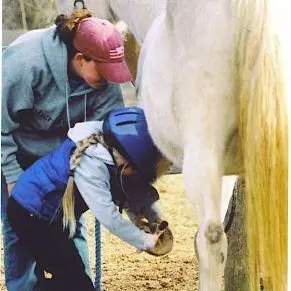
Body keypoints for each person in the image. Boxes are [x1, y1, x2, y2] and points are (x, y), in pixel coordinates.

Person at [1, 9, 133, 290]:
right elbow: (1, 125)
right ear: (80, 58)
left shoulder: (103, 81)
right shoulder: (25, 62)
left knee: (70, 226)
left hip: (63, 162)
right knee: (19, 230)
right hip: (17, 153)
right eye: (104, 70)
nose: (109, 78)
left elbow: (112, 135)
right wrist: (13, 178)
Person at [6, 107, 173, 291]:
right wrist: (144, 240)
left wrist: (154, 219)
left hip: (49, 217)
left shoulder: (109, 145)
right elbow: (109, 217)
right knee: (76, 283)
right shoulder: (92, 167)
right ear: (128, 165)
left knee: (73, 279)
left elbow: (131, 192)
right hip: (30, 216)